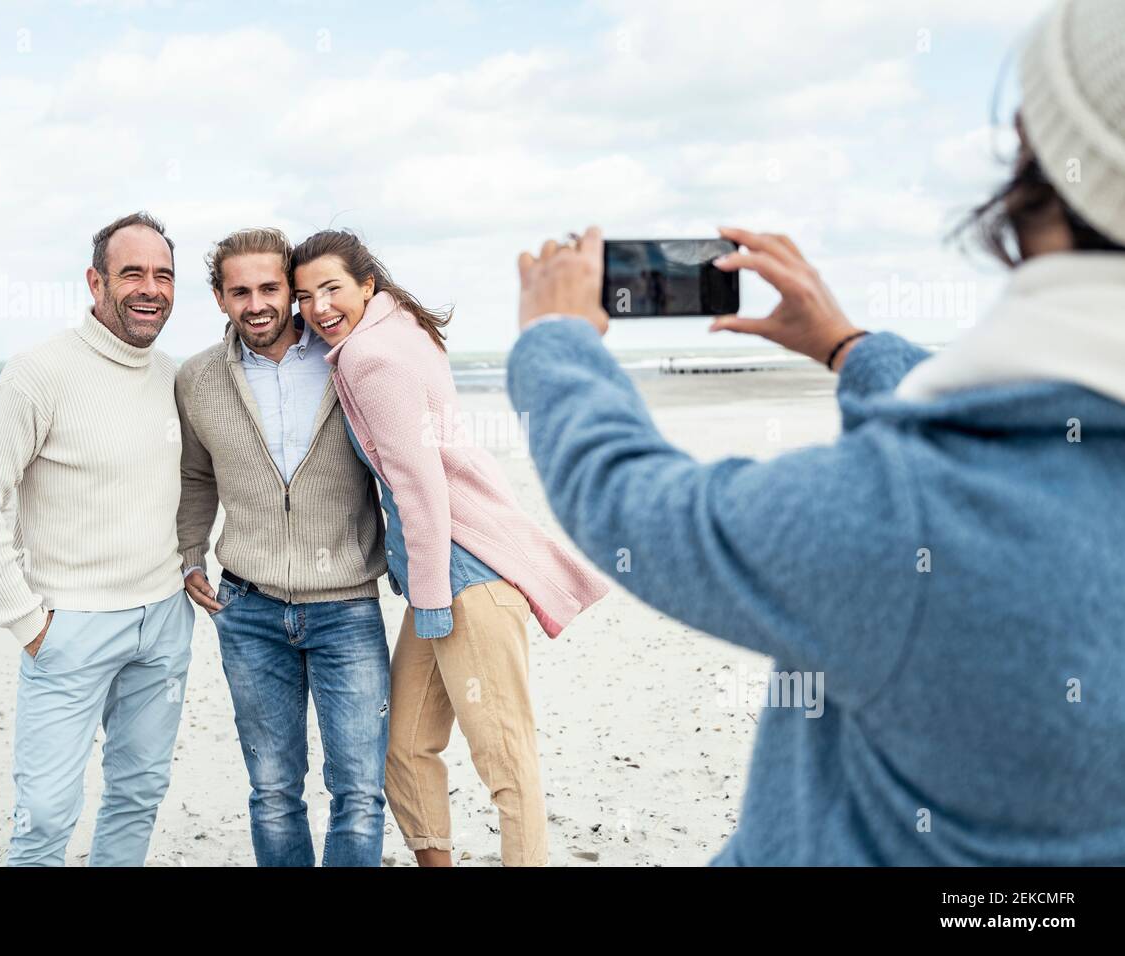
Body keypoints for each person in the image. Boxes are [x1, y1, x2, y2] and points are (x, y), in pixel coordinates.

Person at [508, 0, 1125, 865]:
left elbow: (635, 509)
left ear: (1032, 148)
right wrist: (850, 347)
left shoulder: (913, 515)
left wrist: (555, 339)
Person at [291, 230, 609, 867]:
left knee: (505, 755)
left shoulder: (368, 356)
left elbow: (421, 487)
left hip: (466, 577)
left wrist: (431, 599)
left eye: (332, 289)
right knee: (404, 747)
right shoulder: (400, 330)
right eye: (304, 297)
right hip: (444, 577)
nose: (319, 308)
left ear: (367, 285)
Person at [0, 211, 194, 866]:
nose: (150, 288)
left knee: (139, 792)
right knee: (46, 817)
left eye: (163, 275)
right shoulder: (38, 373)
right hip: (68, 626)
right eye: (132, 273)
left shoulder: (172, 376)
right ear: (96, 282)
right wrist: (28, 622)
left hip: (165, 621)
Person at [175, 228, 391, 866]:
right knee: (272, 790)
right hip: (247, 611)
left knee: (359, 790)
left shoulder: (345, 359)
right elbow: (194, 476)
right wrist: (191, 555)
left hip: (347, 607)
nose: (257, 303)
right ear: (220, 298)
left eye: (270, 287)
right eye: (240, 291)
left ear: (290, 291)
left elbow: (404, 459)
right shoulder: (197, 379)